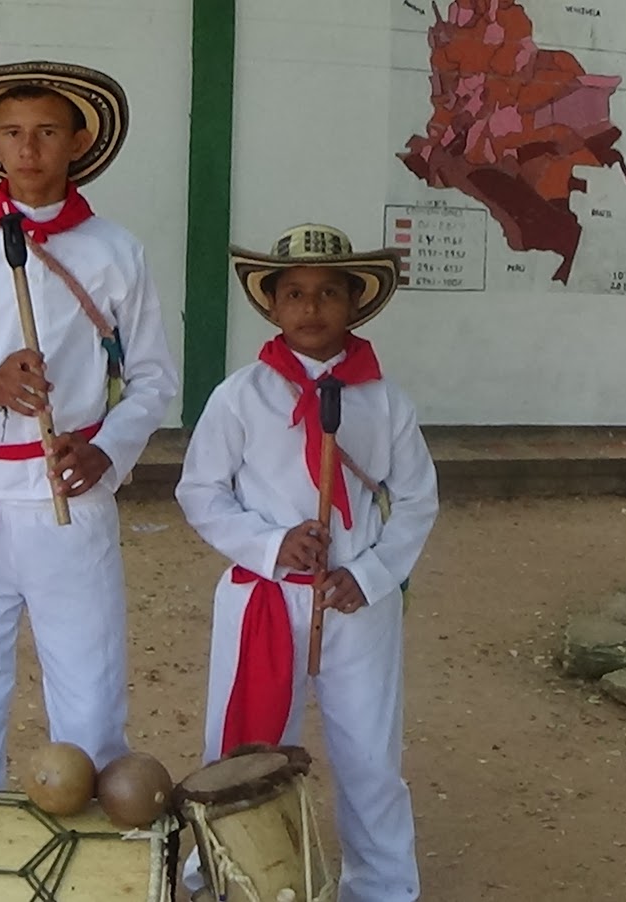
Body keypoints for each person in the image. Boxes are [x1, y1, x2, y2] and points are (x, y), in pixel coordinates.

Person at [0, 61, 180, 792]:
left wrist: (107, 453)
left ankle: (92, 857)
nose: (30, 149)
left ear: (78, 141)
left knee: (88, 682)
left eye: (48, 132)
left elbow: (152, 381)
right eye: (14, 133)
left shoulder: (117, 251)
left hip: (69, 493)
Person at [175, 224, 439, 902]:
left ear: (355, 301)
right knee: (247, 747)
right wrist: (270, 545)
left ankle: (381, 885)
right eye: (293, 293)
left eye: (328, 292)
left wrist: (372, 575)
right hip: (265, 597)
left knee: (370, 756)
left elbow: (415, 501)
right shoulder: (240, 396)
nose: (311, 307)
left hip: (354, 602)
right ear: (271, 305)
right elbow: (199, 491)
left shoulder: (384, 401)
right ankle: (231, 874)